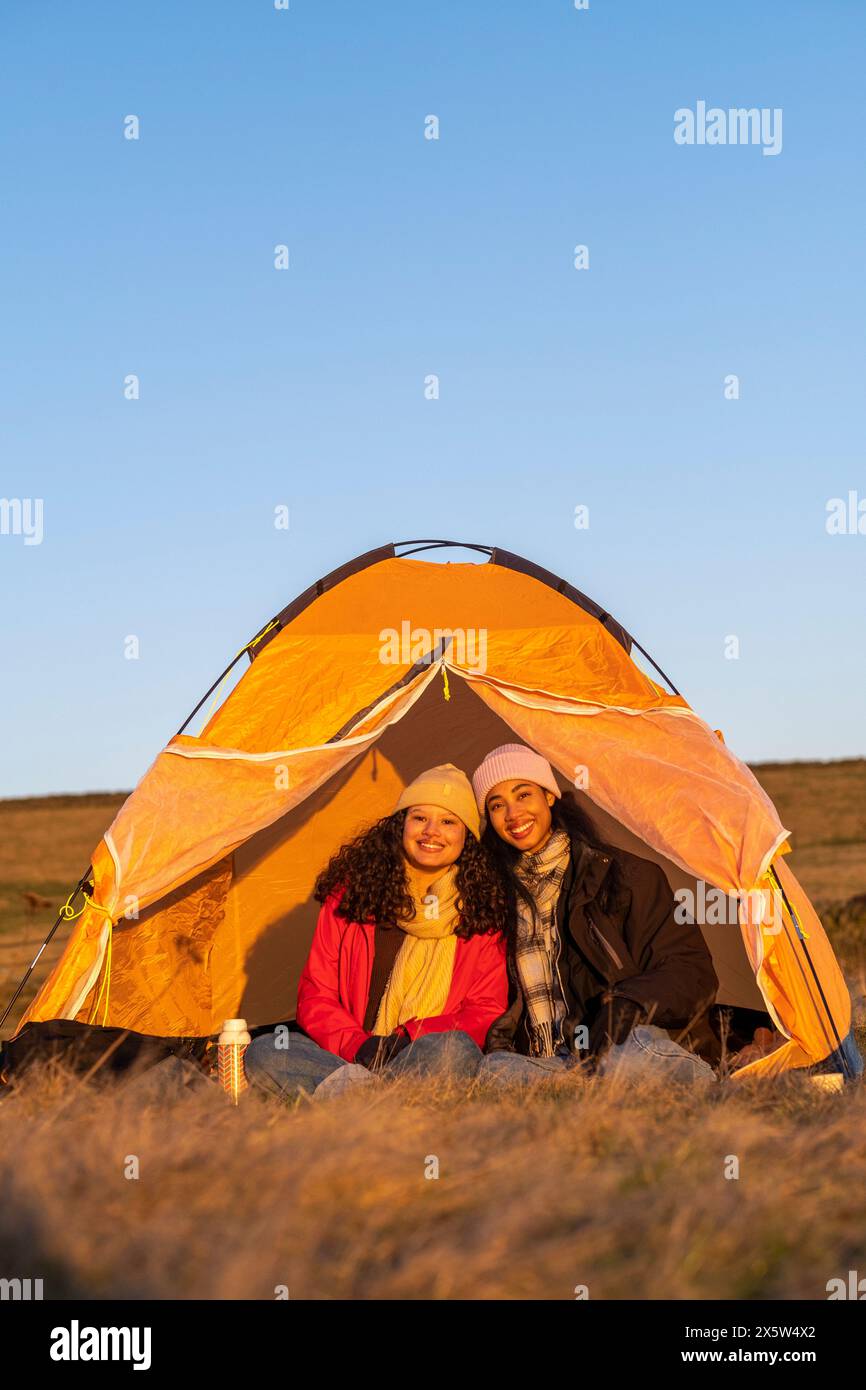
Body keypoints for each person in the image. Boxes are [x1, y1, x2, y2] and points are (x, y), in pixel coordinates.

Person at [245, 764, 508, 1100]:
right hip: (351, 1056)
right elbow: (316, 994)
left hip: (420, 1052)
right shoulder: (352, 895)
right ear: (401, 824)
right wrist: (361, 1045)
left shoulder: (481, 911)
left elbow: (484, 1009)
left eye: (448, 822)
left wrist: (408, 1039)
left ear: (465, 836)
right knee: (266, 1050)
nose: (431, 832)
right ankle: (389, 1098)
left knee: (454, 1050)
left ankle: (360, 1098)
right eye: (419, 818)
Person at [470, 744, 719, 1088]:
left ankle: (687, 1077)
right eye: (497, 805)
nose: (513, 814)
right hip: (555, 1061)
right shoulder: (494, 894)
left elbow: (693, 972)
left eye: (523, 794)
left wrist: (627, 1004)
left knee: (633, 1057)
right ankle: (579, 1086)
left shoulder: (625, 875)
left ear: (549, 797)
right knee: (496, 1072)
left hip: (623, 1045)